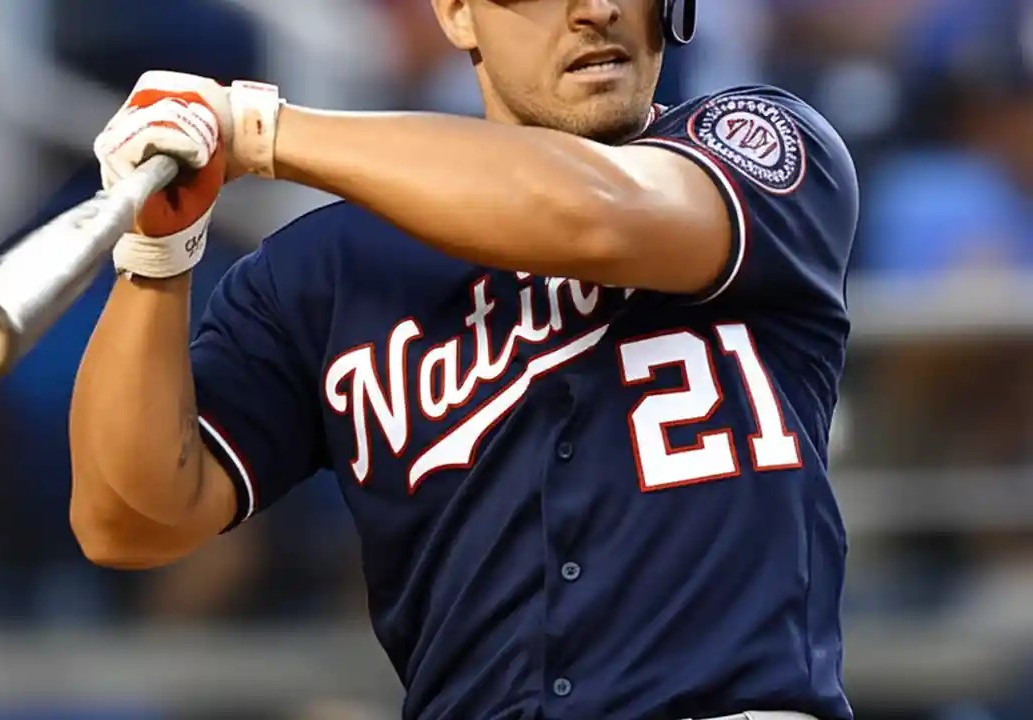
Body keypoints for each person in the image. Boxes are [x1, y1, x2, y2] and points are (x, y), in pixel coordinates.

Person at [69, 1, 858, 718]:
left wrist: (258, 129)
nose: (600, 10)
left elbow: (593, 218)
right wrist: (157, 254)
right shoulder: (327, 269)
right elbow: (128, 519)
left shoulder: (761, 147)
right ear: (456, 13)